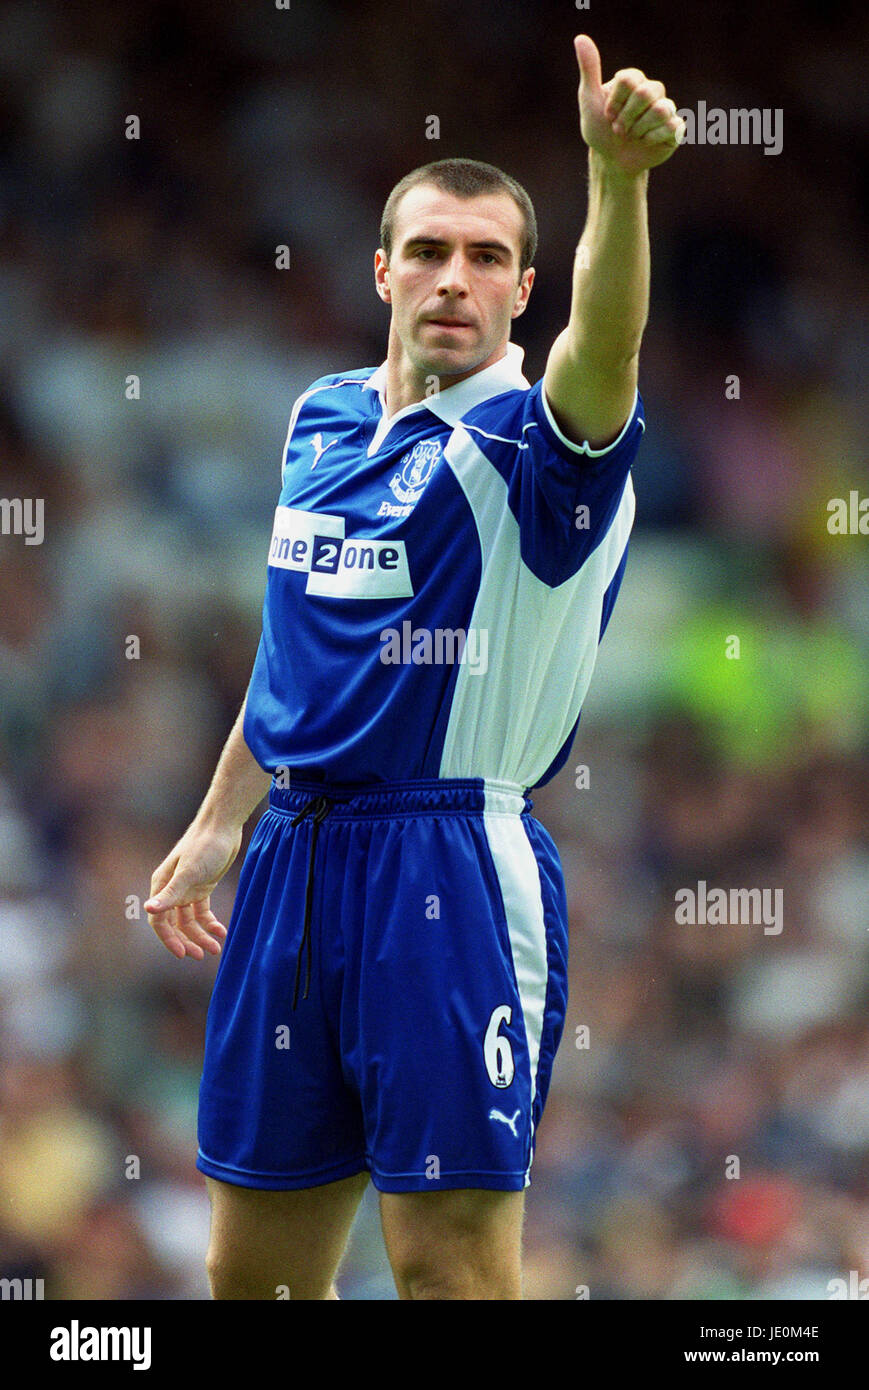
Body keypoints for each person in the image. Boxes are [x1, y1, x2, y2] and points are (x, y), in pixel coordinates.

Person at [144, 34, 683, 1301]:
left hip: (444, 864)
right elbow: (293, 637)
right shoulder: (319, 413)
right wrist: (224, 817)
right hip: (291, 858)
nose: (454, 278)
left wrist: (619, 179)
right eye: (429, 251)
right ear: (381, 269)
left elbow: (606, 347)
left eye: (486, 257)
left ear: (522, 290)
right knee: (256, 1274)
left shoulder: (542, 441)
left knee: (446, 1268)